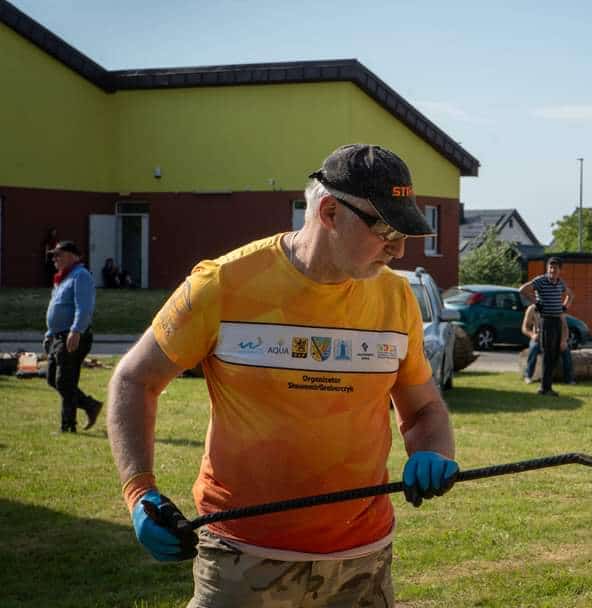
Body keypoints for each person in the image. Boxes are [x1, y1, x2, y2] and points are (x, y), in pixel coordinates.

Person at [106, 144, 458, 607]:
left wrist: (432, 451)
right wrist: (138, 491)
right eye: (386, 229)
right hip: (242, 557)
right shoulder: (223, 284)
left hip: (363, 563)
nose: (398, 249)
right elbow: (135, 379)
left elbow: (424, 409)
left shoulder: (396, 298)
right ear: (330, 212)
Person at [44, 240, 103, 432]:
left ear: (73, 256)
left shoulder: (81, 275)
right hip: (58, 336)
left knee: (64, 381)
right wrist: (49, 334)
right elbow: (56, 309)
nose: (54, 258)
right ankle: (90, 405)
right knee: (53, 379)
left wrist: (76, 330)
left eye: (58, 254)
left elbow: (84, 307)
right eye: (53, 255)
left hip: (73, 335)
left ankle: (68, 425)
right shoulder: (62, 278)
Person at [519, 257, 573, 396]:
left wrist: (564, 308)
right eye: (550, 268)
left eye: (555, 268)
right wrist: (536, 303)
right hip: (546, 321)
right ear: (547, 269)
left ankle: (547, 387)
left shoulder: (560, 283)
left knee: (554, 356)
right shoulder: (540, 281)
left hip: (557, 321)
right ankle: (544, 388)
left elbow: (570, 295)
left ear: (560, 270)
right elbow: (523, 289)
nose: (552, 270)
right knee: (548, 355)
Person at [521, 303, 573, 385]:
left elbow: (565, 327)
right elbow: (524, 328)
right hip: (539, 338)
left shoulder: (555, 307)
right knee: (533, 348)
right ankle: (528, 376)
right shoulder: (532, 309)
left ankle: (569, 379)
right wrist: (532, 335)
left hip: (556, 337)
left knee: (566, 351)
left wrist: (563, 341)